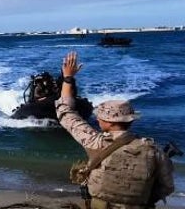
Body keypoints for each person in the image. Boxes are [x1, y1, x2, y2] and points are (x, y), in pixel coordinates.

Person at [57, 52, 174, 209]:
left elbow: (65, 112)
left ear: (108, 122)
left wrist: (68, 78)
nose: (98, 119)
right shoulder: (154, 150)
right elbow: (167, 187)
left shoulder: (95, 142)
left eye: (101, 117)